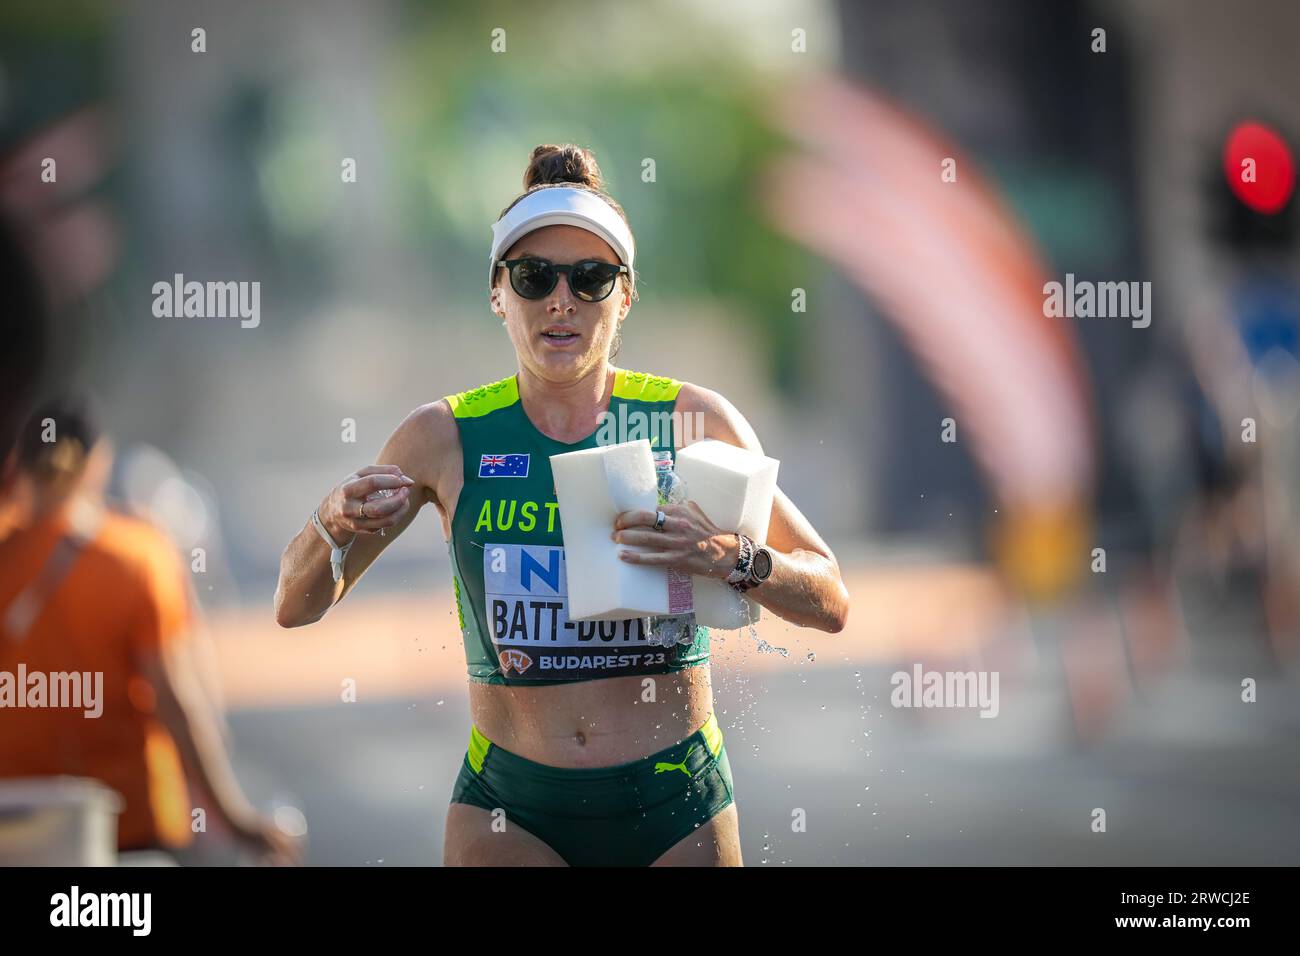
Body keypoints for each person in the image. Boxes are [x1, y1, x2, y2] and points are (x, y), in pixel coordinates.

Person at [274, 143, 850, 866]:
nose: (560, 302)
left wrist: (729, 557)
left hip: (676, 804)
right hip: (512, 811)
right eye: (534, 277)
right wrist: (328, 522)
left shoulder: (692, 420)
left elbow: (829, 597)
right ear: (497, 292)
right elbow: (295, 606)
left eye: (590, 279)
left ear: (626, 295)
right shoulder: (442, 438)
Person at [0, 396, 298, 864]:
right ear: (96, 463)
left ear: (22, 461)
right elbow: (176, 701)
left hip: (13, 828)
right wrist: (235, 817)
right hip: (125, 829)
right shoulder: (137, 558)